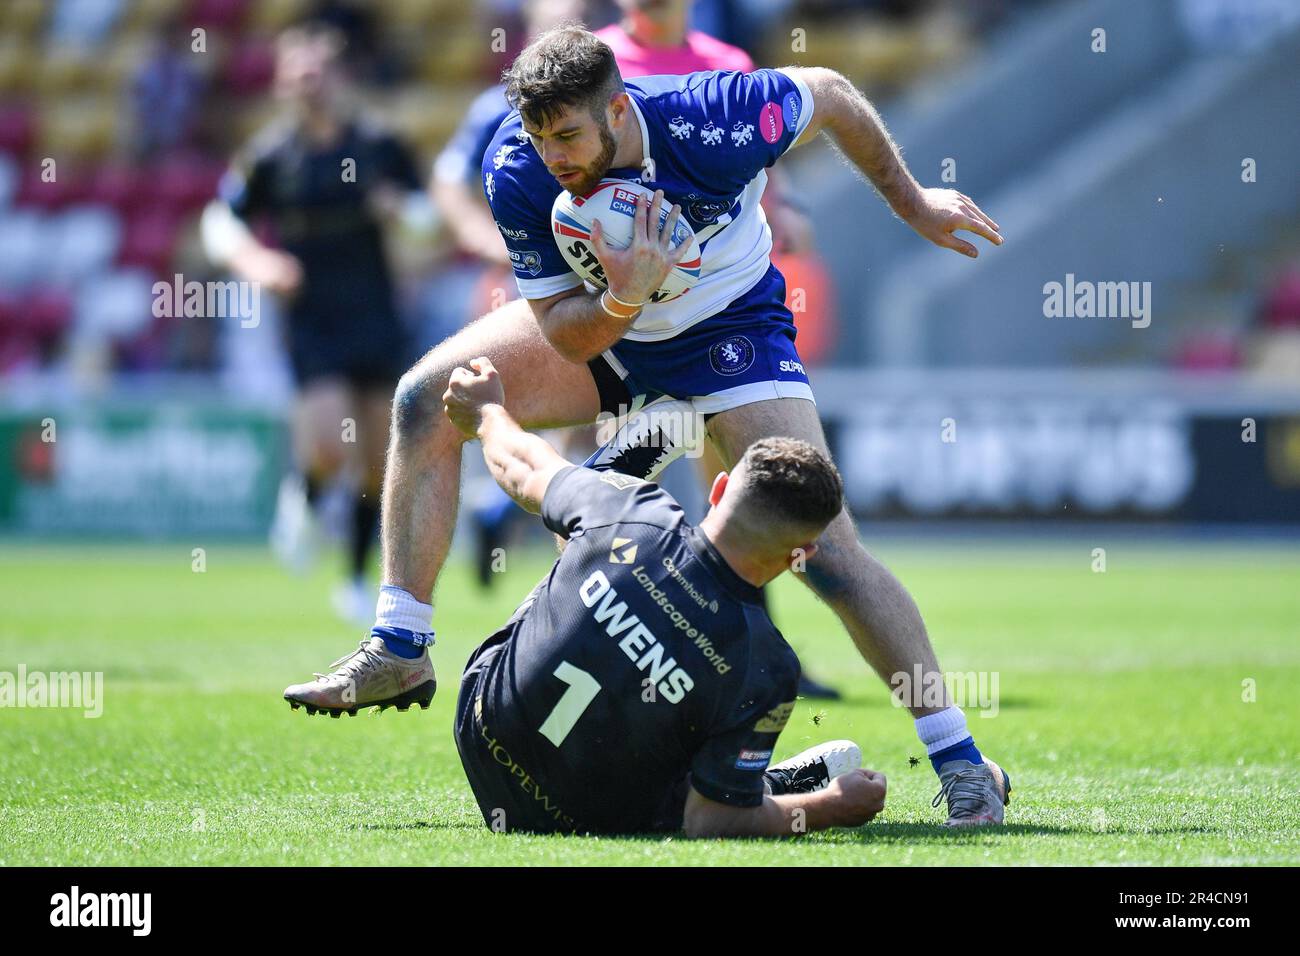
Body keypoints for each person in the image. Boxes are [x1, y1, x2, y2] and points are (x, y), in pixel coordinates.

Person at [284, 26, 1011, 826]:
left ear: (620, 110)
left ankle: (961, 761)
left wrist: (914, 203)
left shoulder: (713, 120)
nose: (553, 155)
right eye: (538, 135)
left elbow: (834, 94)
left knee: (827, 553)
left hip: (729, 334)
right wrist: (627, 296)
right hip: (607, 332)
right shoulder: (514, 165)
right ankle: (400, 646)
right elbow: (565, 330)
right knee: (424, 398)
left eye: (568, 135)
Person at [443, 356, 886, 835]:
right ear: (801, 554)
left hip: (481, 733)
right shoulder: (766, 664)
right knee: (707, 765)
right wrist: (829, 807)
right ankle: (769, 786)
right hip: (586, 819)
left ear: (718, 490)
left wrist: (488, 413)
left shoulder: (634, 509)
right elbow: (709, 822)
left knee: (586, 549)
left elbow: (526, 466)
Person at [201, 24, 431, 623]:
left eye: (319, 74)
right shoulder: (272, 158)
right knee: (330, 444)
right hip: (313, 317)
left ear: (340, 76)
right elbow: (219, 219)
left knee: (381, 454)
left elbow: (432, 214)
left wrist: (401, 211)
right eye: (298, 76)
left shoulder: (380, 145)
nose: (310, 86)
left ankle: (357, 580)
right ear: (281, 83)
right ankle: (303, 496)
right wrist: (256, 260)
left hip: (375, 310)